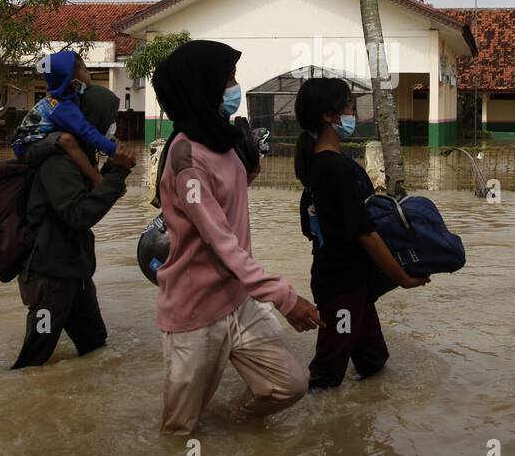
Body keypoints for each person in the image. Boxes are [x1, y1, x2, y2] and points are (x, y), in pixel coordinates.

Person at [152, 39, 321, 435]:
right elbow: (221, 241)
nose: (234, 87)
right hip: (195, 313)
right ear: (202, 85)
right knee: (180, 431)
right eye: (227, 78)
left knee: (289, 385)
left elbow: (229, 202)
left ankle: (231, 426)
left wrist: (251, 168)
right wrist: (283, 296)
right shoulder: (186, 158)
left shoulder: (221, 141)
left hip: (238, 299)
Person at [294, 77, 427, 390]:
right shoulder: (336, 169)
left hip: (350, 283)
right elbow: (364, 232)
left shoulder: (320, 165)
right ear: (329, 115)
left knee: (373, 360)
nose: (356, 115)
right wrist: (404, 277)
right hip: (342, 286)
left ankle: (360, 423)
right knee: (327, 373)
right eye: (351, 108)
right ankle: (314, 432)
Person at [11, 83, 136, 370]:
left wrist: (111, 171)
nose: (112, 126)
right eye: (108, 118)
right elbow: (79, 214)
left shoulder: (80, 157)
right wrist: (116, 172)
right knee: (34, 357)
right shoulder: (59, 160)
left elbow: (89, 199)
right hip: (49, 276)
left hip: (73, 273)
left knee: (94, 345)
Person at [13, 50, 122, 189]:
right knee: (67, 140)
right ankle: (96, 179)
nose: (89, 74)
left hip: (36, 141)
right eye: (85, 70)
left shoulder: (69, 97)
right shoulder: (61, 107)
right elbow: (86, 131)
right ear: (74, 81)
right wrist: (112, 149)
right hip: (26, 148)